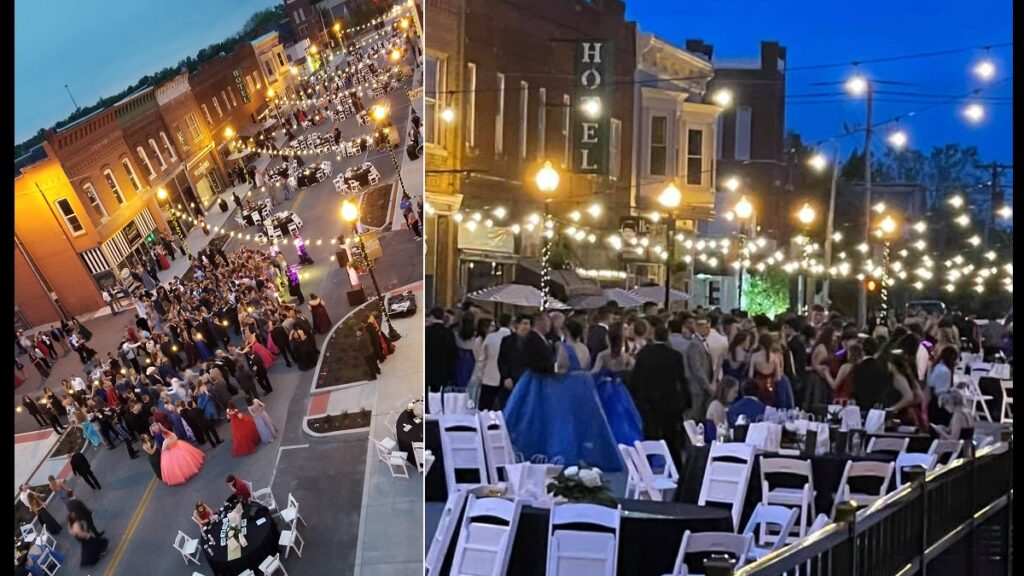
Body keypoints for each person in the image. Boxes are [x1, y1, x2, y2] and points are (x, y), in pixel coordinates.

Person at [503, 314, 622, 470]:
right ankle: (582, 455)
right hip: (584, 386)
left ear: (566, 331)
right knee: (581, 423)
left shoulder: (563, 347)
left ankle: (565, 454)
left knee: (564, 423)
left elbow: (561, 368)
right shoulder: (584, 348)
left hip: (565, 387)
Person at [630, 324, 690, 467]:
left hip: (648, 402)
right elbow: (682, 380)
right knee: (671, 437)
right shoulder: (675, 356)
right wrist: (687, 401)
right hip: (670, 402)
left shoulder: (644, 354)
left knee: (649, 434)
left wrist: (636, 397)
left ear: (654, 336)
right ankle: (676, 467)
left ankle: (646, 465)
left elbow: (635, 379)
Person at [478, 314, 512, 411]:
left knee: (485, 407)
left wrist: (481, 374)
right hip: (507, 378)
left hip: (489, 376)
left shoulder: (490, 337)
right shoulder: (513, 338)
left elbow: (482, 358)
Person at [425, 307, 457, 392]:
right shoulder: (449, 333)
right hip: (443, 373)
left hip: (427, 372)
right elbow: (453, 354)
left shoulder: (426, 331)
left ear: (432, 316)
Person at [926, 346, 959, 427]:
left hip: (931, 402)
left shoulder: (933, 367)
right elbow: (941, 391)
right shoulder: (946, 371)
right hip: (942, 404)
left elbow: (931, 384)